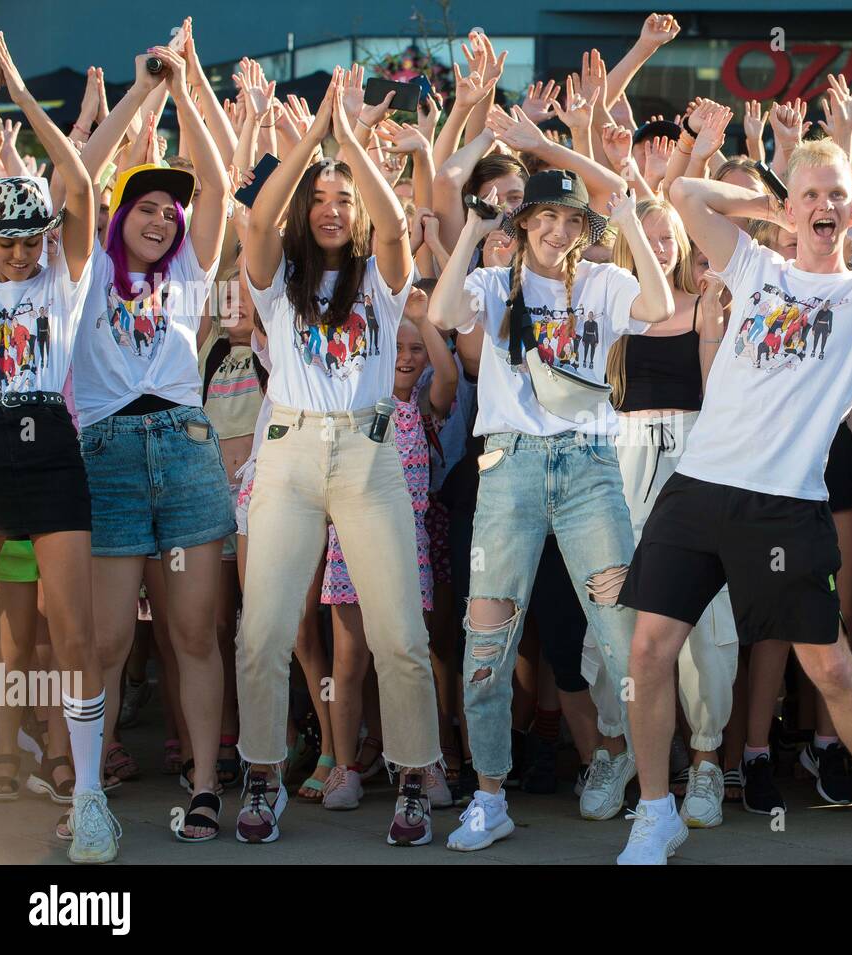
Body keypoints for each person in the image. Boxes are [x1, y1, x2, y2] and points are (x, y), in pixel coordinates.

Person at [617, 127, 852, 865]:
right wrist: (774, 207)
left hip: (785, 502)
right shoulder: (755, 263)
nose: (823, 206)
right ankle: (654, 814)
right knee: (648, 650)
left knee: (831, 665)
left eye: (836, 197)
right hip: (701, 486)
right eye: (811, 195)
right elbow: (684, 193)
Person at [429, 103, 674, 849]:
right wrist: (475, 230)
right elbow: (441, 312)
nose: (558, 230)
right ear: (525, 221)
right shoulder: (495, 282)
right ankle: (491, 796)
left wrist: (628, 219)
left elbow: (661, 306)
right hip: (506, 468)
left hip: (589, 469)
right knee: (486, 642)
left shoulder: (601, 283)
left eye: (570, 220)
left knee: (625, 636)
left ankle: (654, 800)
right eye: (545, 218)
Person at [237, 69, 441, 847]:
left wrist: (348, 144)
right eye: (318, 201)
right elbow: (258, 224)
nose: (330, 211)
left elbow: (394, 231)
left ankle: (414, 777)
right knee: (261, 631)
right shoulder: (279, 280)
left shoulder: (384, 286)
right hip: (288, 452)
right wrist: (308, 148)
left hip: (368, 452)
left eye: (342, 201)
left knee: (399, 635)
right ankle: (262, 773)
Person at [69, 43, 233, 843]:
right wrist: (140, 93)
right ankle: (90, 785)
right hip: (107, 457)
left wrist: (191, 89)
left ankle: (204, 785)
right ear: (114, 216)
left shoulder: (194, 269)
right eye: (146, 205)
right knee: (103, 641)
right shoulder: (83, 274)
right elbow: (74, 173)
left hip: (187, 446)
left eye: (171, 208)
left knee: (193, 632)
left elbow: (215, 182)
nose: (163, 216)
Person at [0, 32, 114, 863]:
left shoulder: (65, 277)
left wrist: (25, 98)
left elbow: (84, 190)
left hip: (52, 447)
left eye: (34, 239)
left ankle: (92, 795)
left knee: (75, 637)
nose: (24, 253)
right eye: (9, 241)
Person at [602, 197, 738, 828]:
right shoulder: (606, 305)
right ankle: (620, 749)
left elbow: (717, 395)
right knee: (611, 611)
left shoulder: (707, 304)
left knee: (705, 619)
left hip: (692, 458)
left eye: (669, 237)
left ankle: (706, 763)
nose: (660, 247)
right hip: (617, 462)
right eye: (647, 236)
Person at [319, 286, 458, 811]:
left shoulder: (423, 404)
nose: (405, 358)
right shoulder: (352, 402)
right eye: (395, 347)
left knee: (408, 655)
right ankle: (345, 767)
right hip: (351, 539)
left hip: (407, 543)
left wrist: (422, 320)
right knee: (350, 659)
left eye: (414, 349)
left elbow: (447, 376)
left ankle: (424, 765)